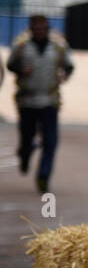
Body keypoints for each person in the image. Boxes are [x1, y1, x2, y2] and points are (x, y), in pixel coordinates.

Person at [7, 15, 73, 193]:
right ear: (30, 30)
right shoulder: (21, 45)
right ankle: (25, 154)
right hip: (27, 100)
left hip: (49, 100)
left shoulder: (57, 46)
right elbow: (10, 65)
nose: (39, 31)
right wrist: (22, 70)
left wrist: (64, 75)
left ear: (48, 29)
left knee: (50, 141)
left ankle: (43, 176)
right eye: (36, 28)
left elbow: (69, 66)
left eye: (42, 28)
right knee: (27, 137)